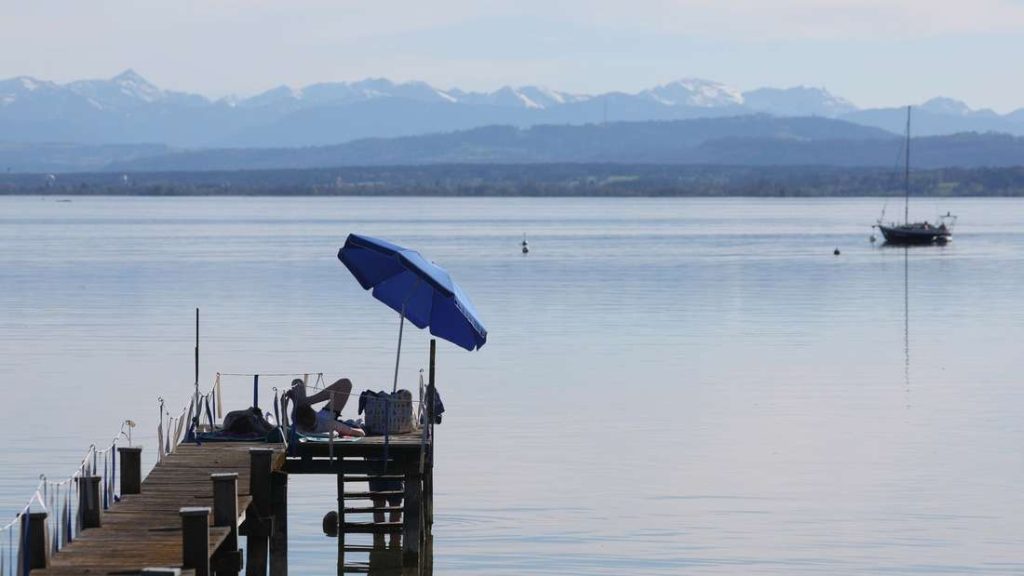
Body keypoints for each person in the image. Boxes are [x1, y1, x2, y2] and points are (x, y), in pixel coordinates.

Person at [286, 377, 365, 437]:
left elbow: (285, 425)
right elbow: (361, 433)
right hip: (327, 418)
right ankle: (307, 401)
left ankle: (304, 401)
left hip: (309, 421)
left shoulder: (296, 426)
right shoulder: (328, 424)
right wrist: (357, 429)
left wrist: (284, 406)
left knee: (297, 382)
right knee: (346, 383)